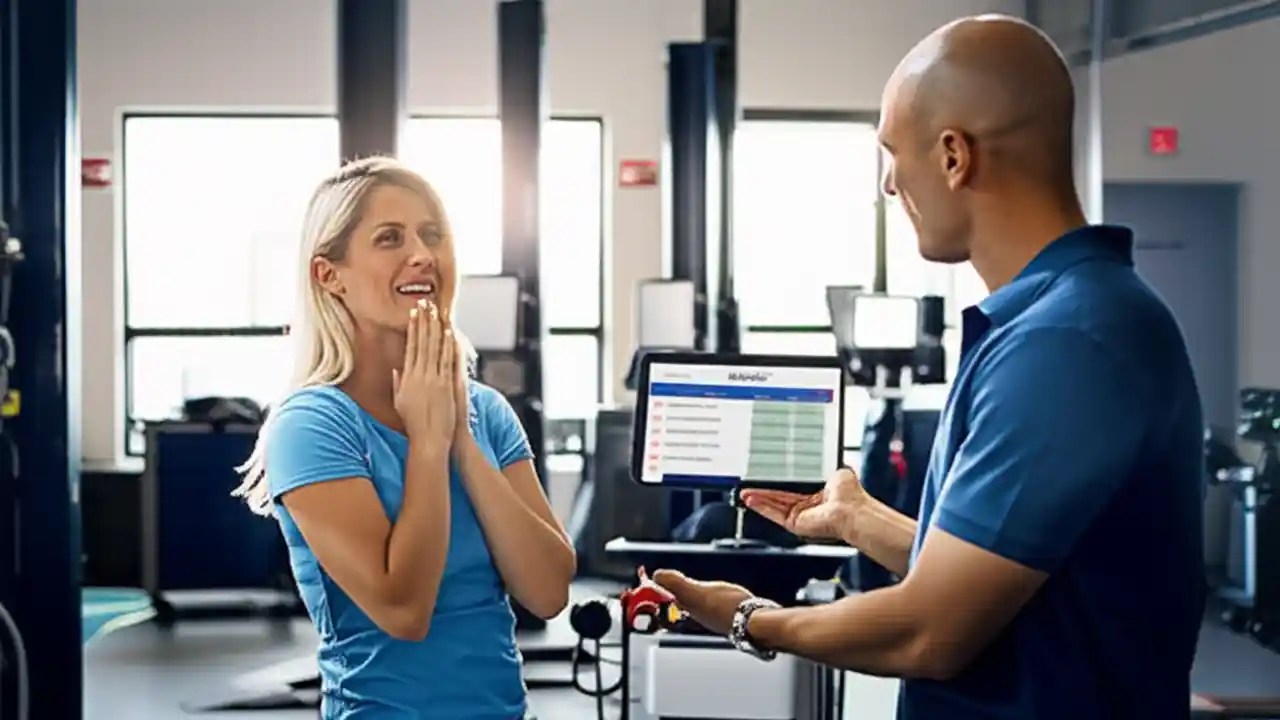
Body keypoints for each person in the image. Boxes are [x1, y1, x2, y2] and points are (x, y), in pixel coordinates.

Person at [651, 14, 1206, 720]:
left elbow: (929, 630)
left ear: (953, 156)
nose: (888, 184)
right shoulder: (1067, 320)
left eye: (892, 152)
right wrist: (859, 520)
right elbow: (997, 572)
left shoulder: (1068, 343)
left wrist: (747, 618)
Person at [234, 156, 576, 719]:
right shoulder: (312, 424)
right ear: (329, 275)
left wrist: (460, 438)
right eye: (389, 238)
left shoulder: (484, 411)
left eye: (433, 234)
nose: (422, 254)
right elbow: (404, 609)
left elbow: (547, 591)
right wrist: (427, 443)